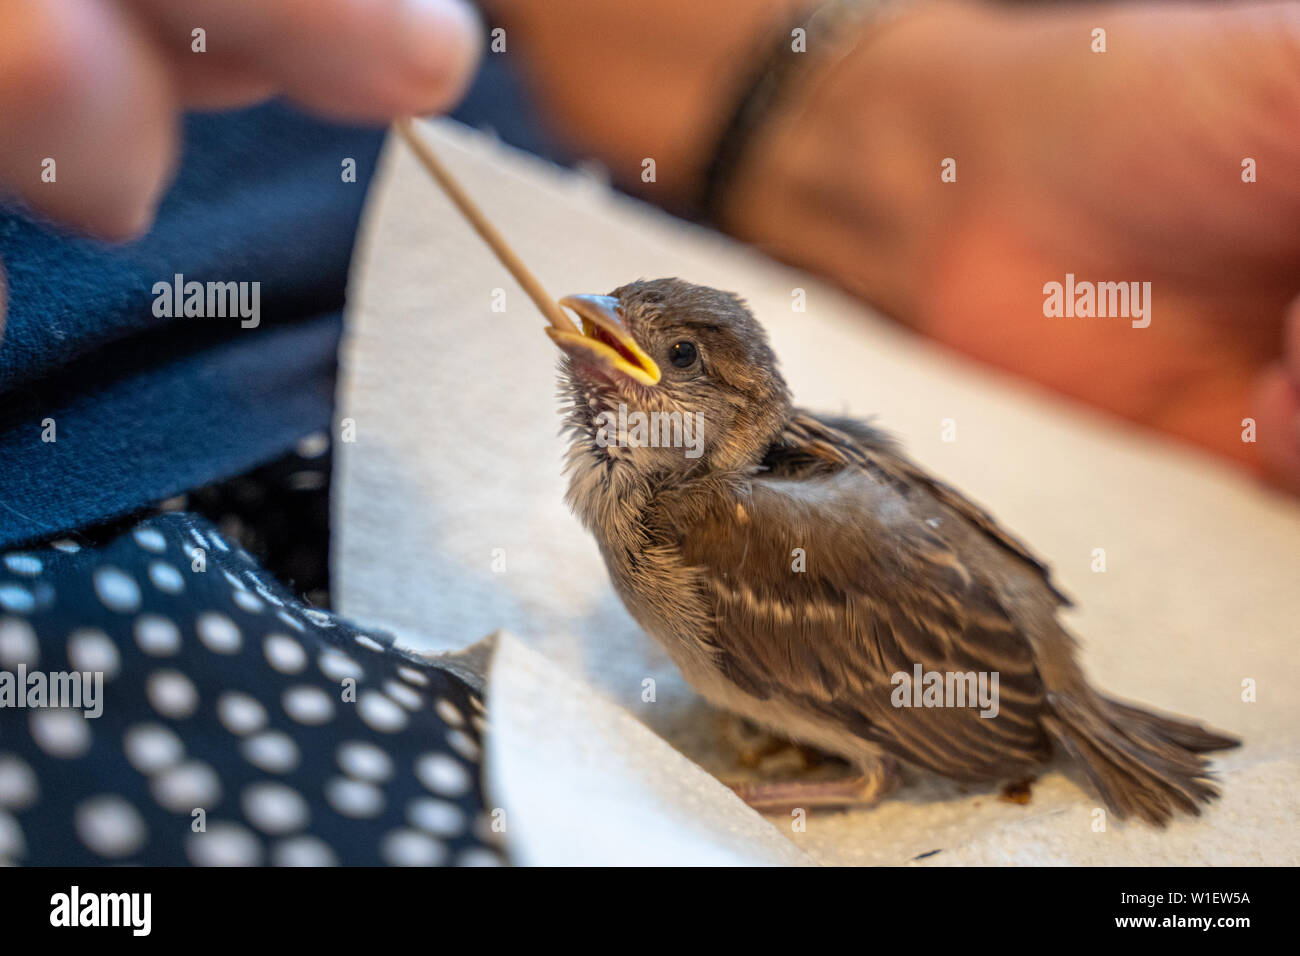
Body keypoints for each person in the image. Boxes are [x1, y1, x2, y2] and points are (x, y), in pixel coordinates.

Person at [0, 0, 1295, 866]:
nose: (602, 337)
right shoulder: (700, 502)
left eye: (671, 358)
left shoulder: (702, 522)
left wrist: (875, 118)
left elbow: (911, 688)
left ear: (727, 402)